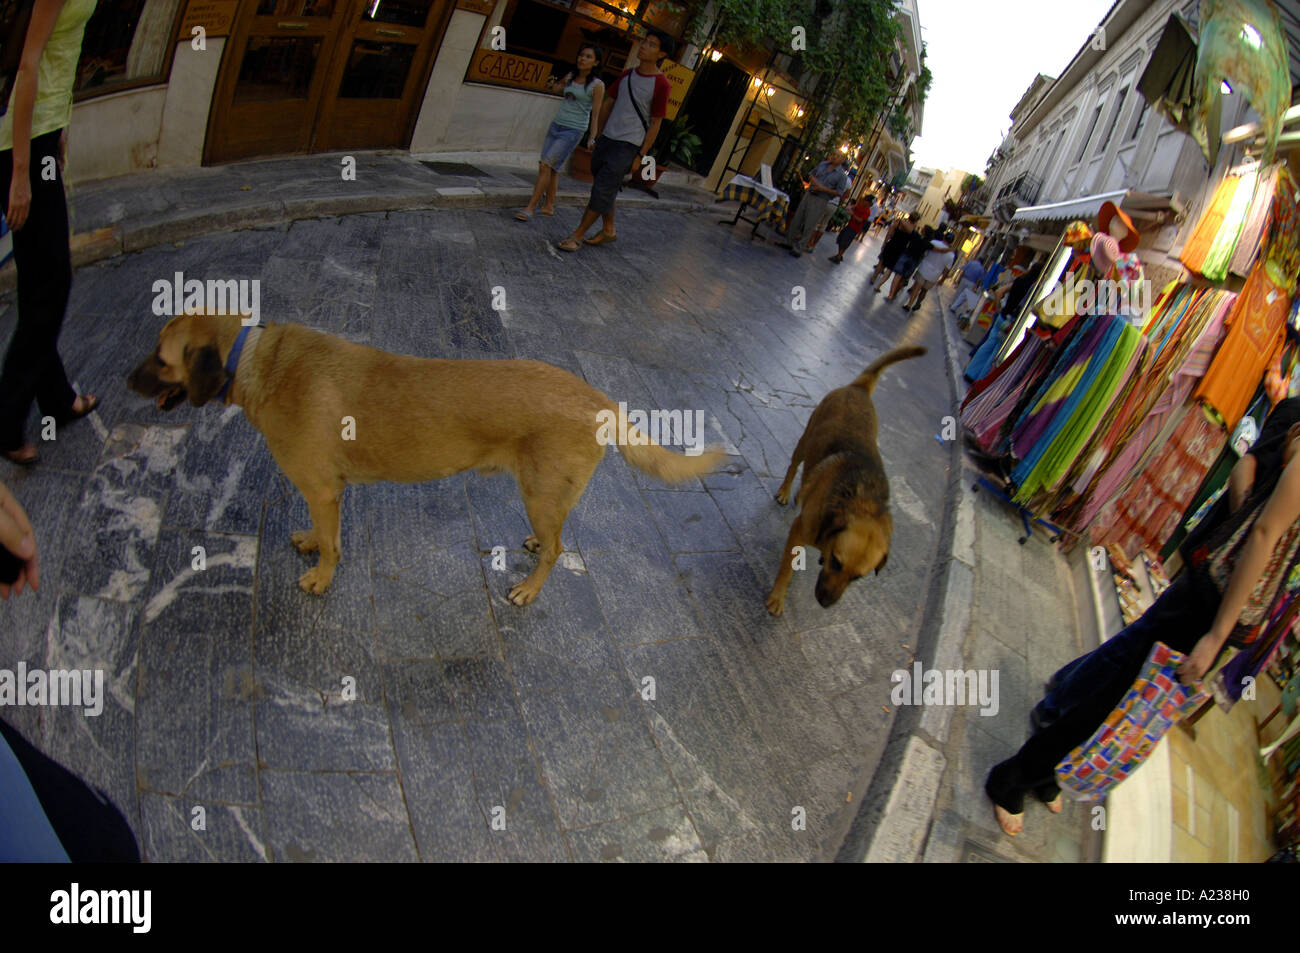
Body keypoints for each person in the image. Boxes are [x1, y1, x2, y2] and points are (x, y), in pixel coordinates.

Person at [987, 418, 1300, 836]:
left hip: (1216, 598)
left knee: (1124, 687)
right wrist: (1216, 635)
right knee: (1117, 695)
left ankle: (1044, 767)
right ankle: (1015, 776)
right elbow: (1264, 533)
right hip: (1213, 602)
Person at [1, 0, 99, 467]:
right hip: (25, 138)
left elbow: (67, 54)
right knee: (52, 283)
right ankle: (5, 421)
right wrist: (21, 173)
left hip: (44, 130)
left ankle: (57, 398)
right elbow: (28, 62)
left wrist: (63, 126)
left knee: (41, 280)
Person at [555, 30, 672, 252]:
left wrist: (640, 155)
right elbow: (609, 103)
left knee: (602, 189)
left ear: (661, 53)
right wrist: (597, 134)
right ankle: (608, 229)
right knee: (605, 186)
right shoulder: (627, 75)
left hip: (628, 145)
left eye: (651, 44)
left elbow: (656, 123)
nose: (644, 46)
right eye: (644, 41)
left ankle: (577, 236)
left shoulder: (661, 84)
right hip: (607, 138)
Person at [516, 46, 604, 222]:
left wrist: (592, 138)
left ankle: (530, 207)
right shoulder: (571, 77)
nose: (582, 59)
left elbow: (596, 114)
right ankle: (548, 206)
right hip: (556, 125)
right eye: (581, 55)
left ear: (596, 62)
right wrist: (554, 82)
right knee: (553, 169)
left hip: (573, 130)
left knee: (545, 165)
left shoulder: (597, 85)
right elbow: (556, 89)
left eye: (588, 57)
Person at [783, 153, 850, 258]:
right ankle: (789, 242)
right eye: (834, 154)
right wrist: (813, 180)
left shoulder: (841, 175)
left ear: (842, 160)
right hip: (809, 193)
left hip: (821, 198)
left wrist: (822, 188)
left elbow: (839, 192)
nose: (834, 156)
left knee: (810, 223)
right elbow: (811, 173)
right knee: (798, 218)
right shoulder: (823, 164)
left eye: (837, 156)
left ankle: (799, 248)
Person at [904, 231, 956, 311]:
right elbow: (947, 269)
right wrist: (942, 280)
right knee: (924, 291)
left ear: (944, 237)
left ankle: (909, 304)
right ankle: (917, 304)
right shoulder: (951, 255)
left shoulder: (934, 242)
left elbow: (924, 253)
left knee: (917, 287)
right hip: (935, 275)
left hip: (924, 267)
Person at [885, 223, 933, 302]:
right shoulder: (928, 243)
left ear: (924, 231)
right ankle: (894, 293)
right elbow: (937, 249)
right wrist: (948, 250)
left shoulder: (916, 235)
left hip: (906, 256)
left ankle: (891, 294)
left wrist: (901, 221)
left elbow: (907, 227)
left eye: (923, 228)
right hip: (914, 262)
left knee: (897, 276)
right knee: (903, 279)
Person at [871, 213, 917, 290]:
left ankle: (873, 278)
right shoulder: (912, 229)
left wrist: (885, 243)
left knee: (882, 263)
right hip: (900, 249)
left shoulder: (898, 223)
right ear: (916, 221)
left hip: (892, 244)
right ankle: (878, 286)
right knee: (890, 269)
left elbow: (890, 233)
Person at [828, 193, 875, 264]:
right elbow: (854, 207)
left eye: (866, 200)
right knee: (841, 239)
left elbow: (860, 220)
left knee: (845, 242)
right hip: (849, 226)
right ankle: (839, 255)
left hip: (854, 229)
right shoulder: (860, 206)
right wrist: (849, 207)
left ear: (869, 203)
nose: (864, 201)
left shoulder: (867, 211)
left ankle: (839, 256)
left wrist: (852, 214)